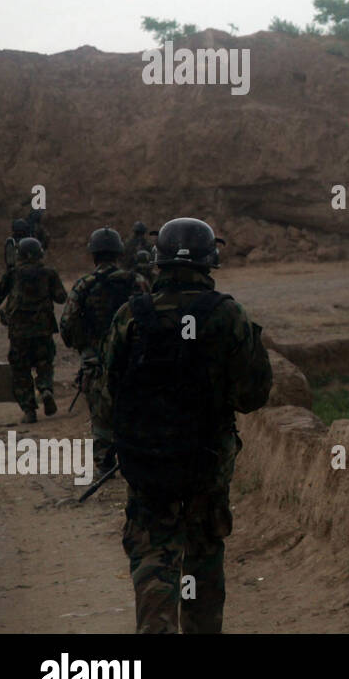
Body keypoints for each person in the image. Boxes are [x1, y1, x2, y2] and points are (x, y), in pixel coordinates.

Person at [99, 217, 272, 634]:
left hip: (146, 463)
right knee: (201, 559)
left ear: (158, 262)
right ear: (209, 262)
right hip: (205, 465)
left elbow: (108, 392)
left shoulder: (131, 315)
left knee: (154, 559)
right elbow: (253, 397)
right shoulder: (228, 315)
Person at [60, 227, 147, 470]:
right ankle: (136, 458)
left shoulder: (83, 285)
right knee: (135, 408)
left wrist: (83, 346)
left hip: (95, 360)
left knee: (100, 415)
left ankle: (104, 461)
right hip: (132, 357)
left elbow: (67, 323)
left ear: (94, 255)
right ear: (119, 252)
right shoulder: (136, 281)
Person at [0, 237, 67, 423]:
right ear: (40, 253)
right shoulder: (49, 273)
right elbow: (61, 297)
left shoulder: (13, 274)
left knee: (21, 370)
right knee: (44, 364)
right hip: (43, 330)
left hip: (19, 333)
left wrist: (4, 279)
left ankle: (29, 410)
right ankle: (45, 388)